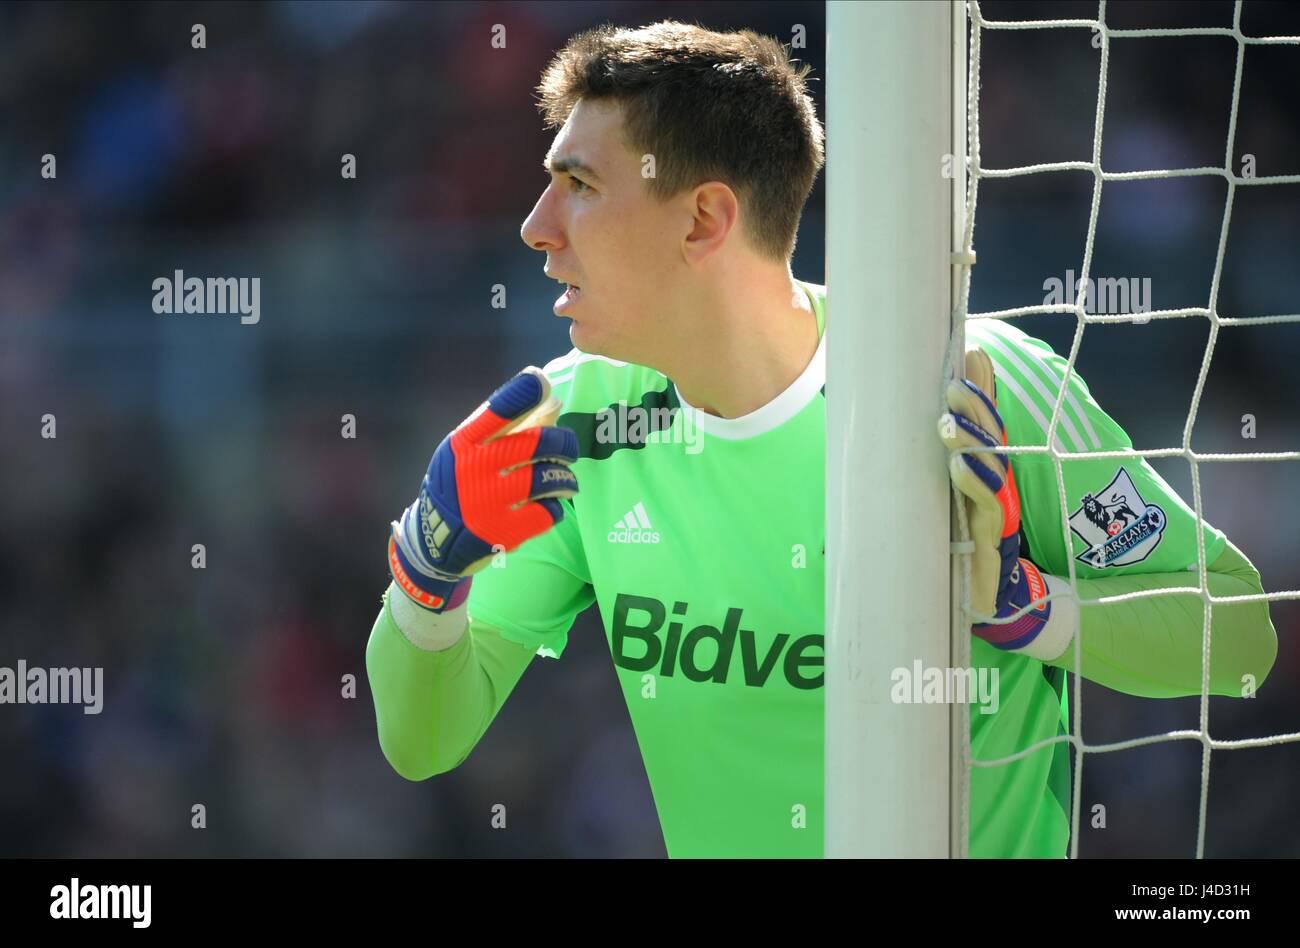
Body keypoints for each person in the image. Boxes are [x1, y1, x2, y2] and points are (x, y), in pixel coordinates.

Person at [365, 20, 1277, 858]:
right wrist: (426, 581)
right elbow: (420, 745)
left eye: (579, 186)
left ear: (704, 220)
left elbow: (1239, 640)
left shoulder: (974, 385)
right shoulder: (570, 428)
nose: (535, 228)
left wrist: (1029, 610)